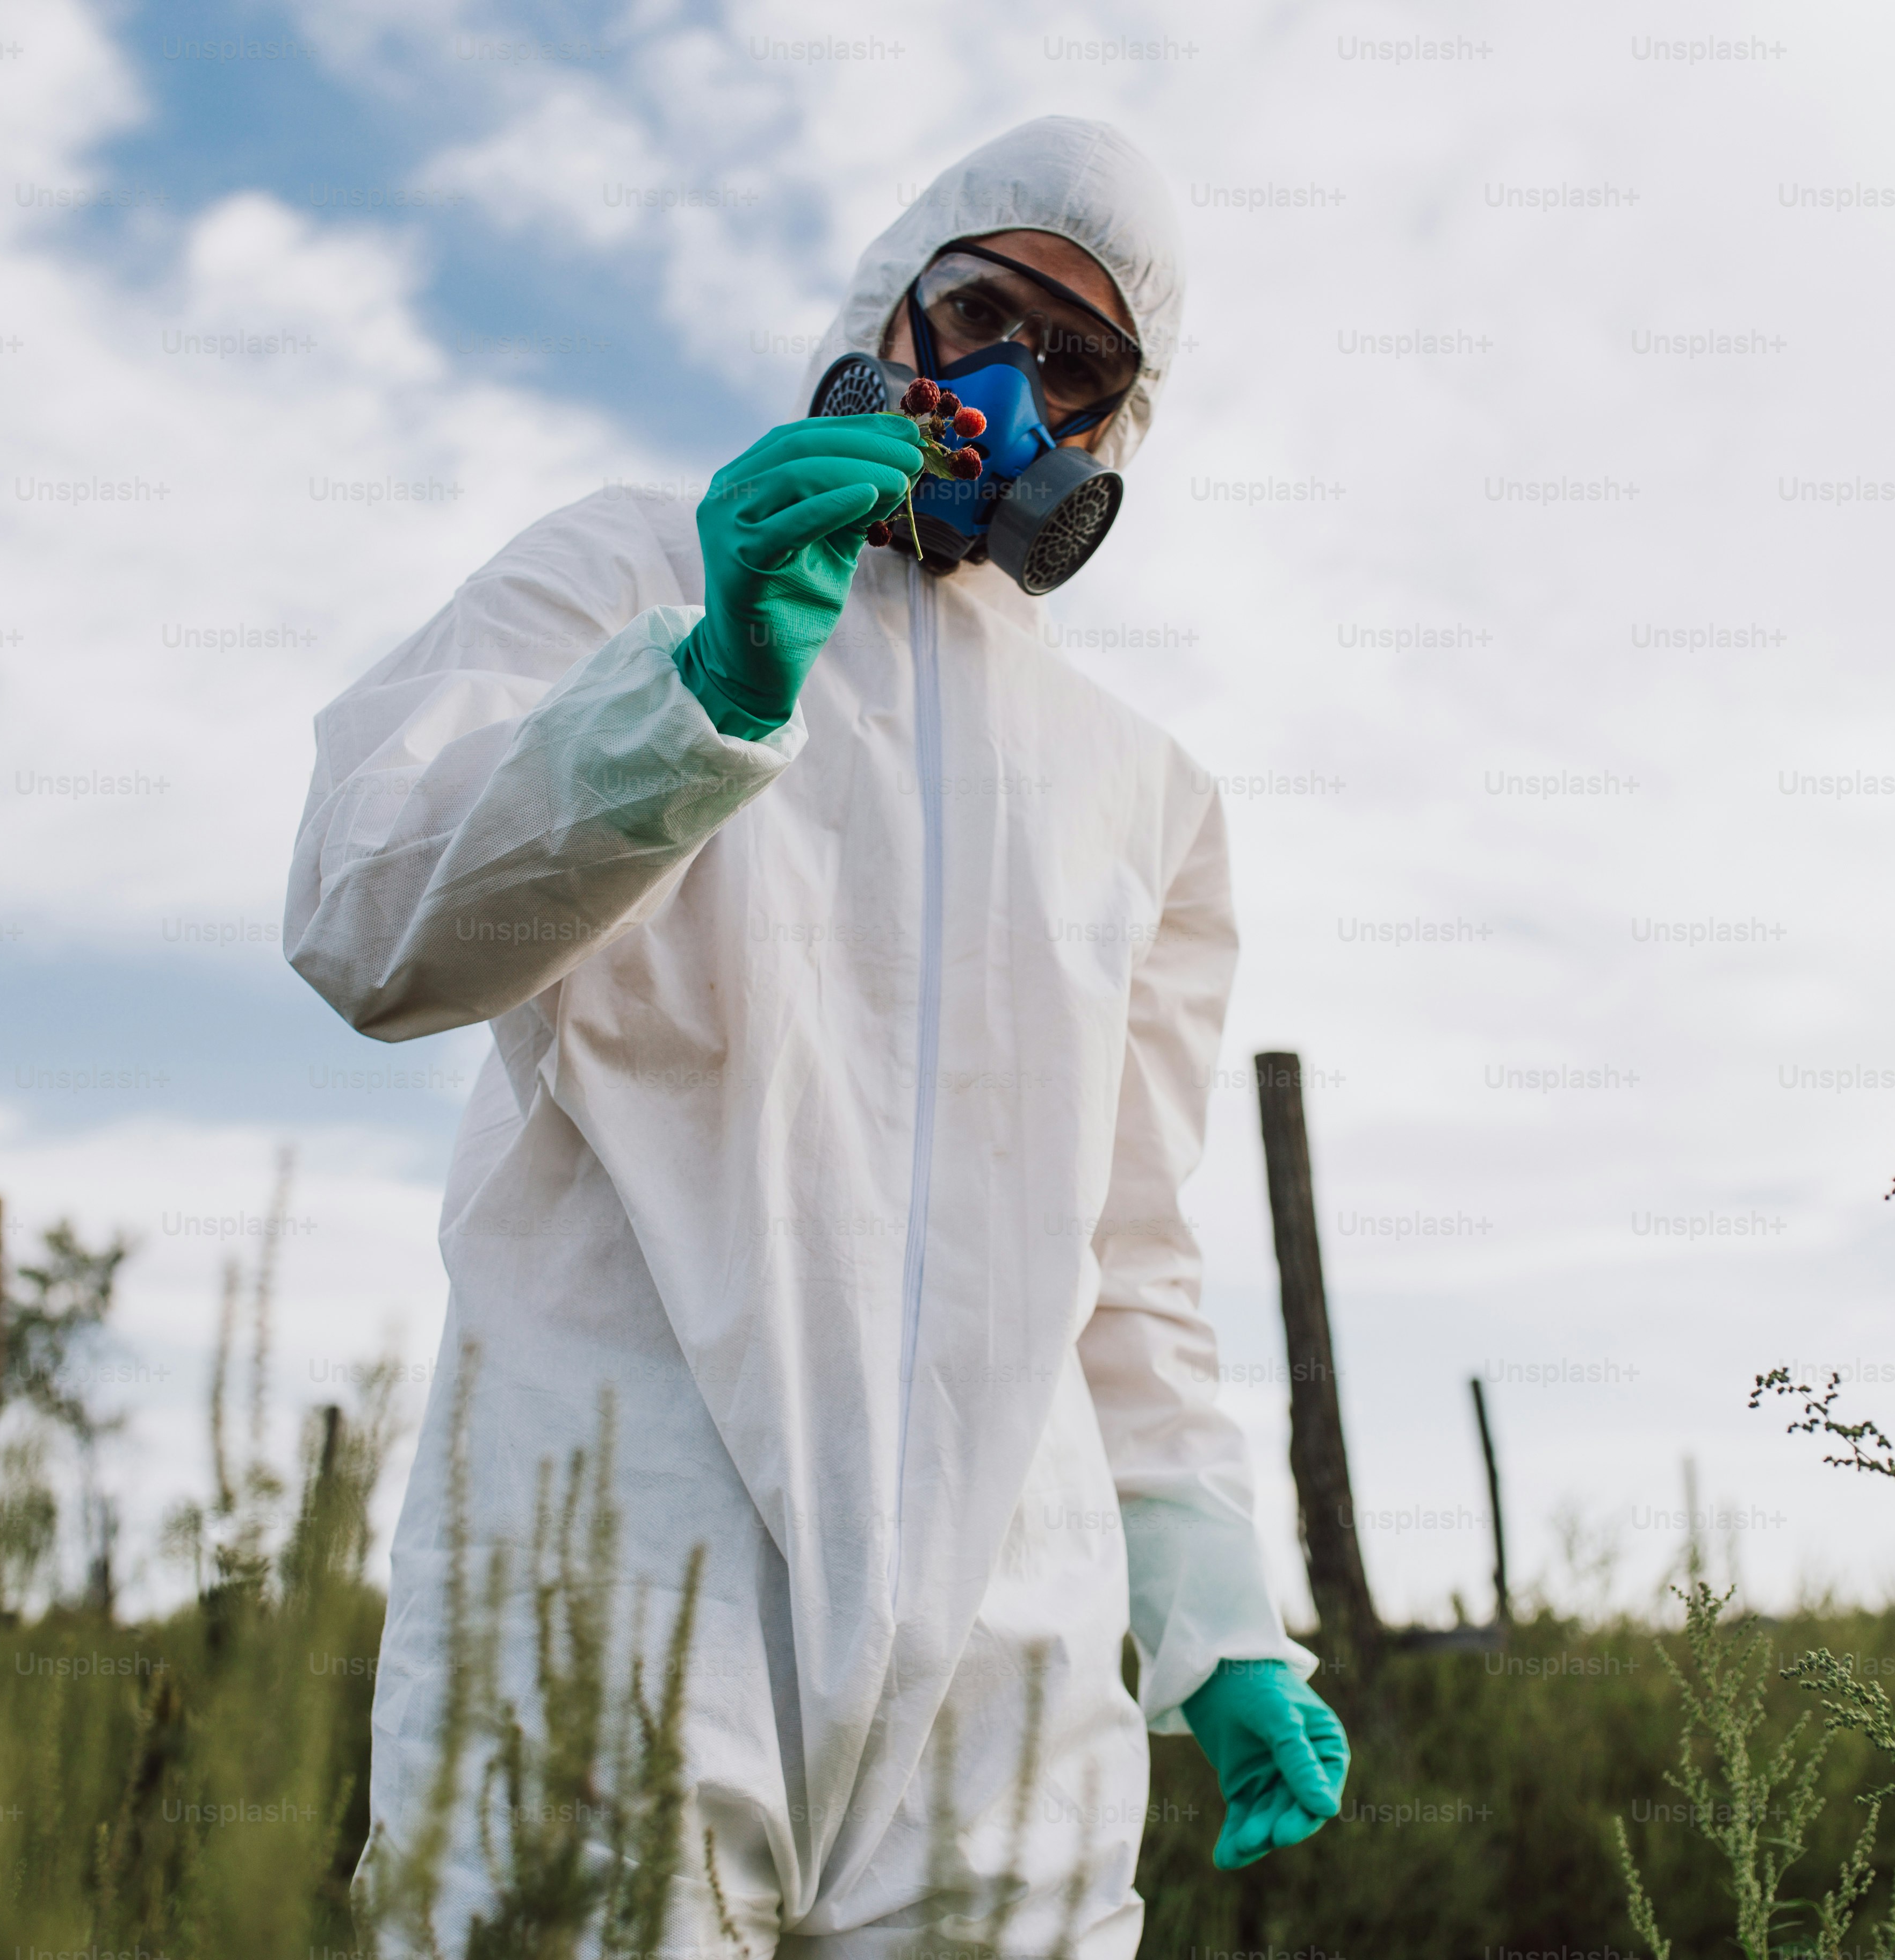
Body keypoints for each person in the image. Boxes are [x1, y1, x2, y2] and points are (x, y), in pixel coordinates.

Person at [286, 115, 1346, 1959]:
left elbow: (1131, 1249)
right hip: (616, 1586)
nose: (1008, 385)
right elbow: (365, 924)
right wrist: (689, 697)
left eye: (1077, 364)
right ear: (891, 311)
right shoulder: (630, 571)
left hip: (1012, 1663)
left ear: (1111, 433)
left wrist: (1214, 1604)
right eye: (983, 314)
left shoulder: (1140, 791)